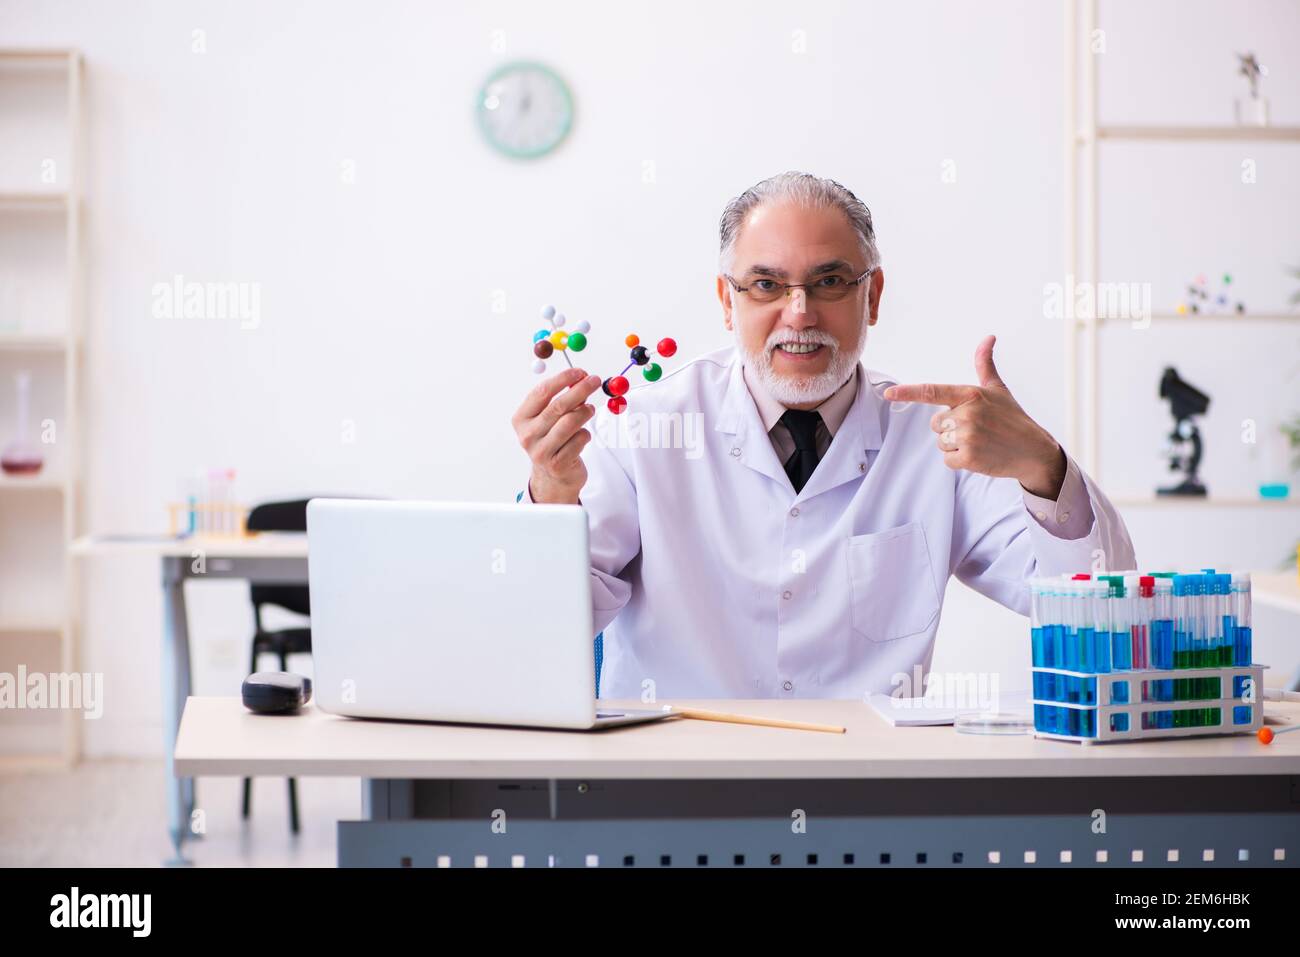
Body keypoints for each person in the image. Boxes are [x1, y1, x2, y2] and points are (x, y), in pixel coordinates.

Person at [512, 171, 1136, 699]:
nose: (801, 311)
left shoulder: (937, 438)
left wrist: (1042, 466)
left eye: (831, 281)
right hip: (673, 787)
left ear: (873, 296)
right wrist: (551, 494)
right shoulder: (643, 429)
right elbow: (540, 634)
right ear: (727, 303)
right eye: (766, 285)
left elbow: (1098, 614)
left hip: (869, 800)